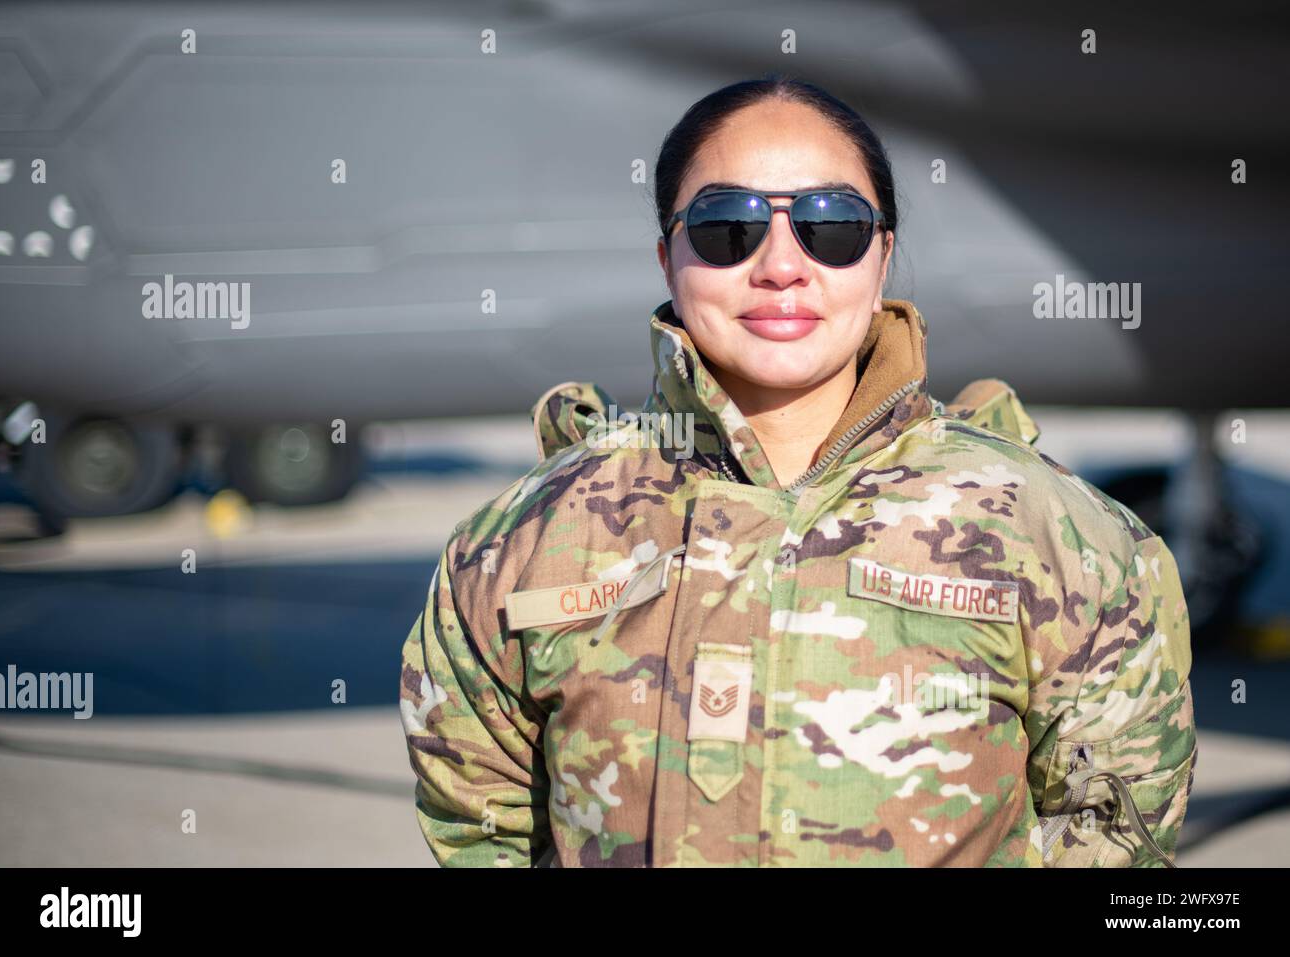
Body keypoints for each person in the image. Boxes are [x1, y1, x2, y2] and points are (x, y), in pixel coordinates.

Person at [398, 75, 1196, 867]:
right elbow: (481, 827)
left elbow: (1119, 829)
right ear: (667, 255)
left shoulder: (1054, 532)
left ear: (882, 257)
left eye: (833, 225)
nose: (782, 265)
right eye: (726, 226)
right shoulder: (526, 540)